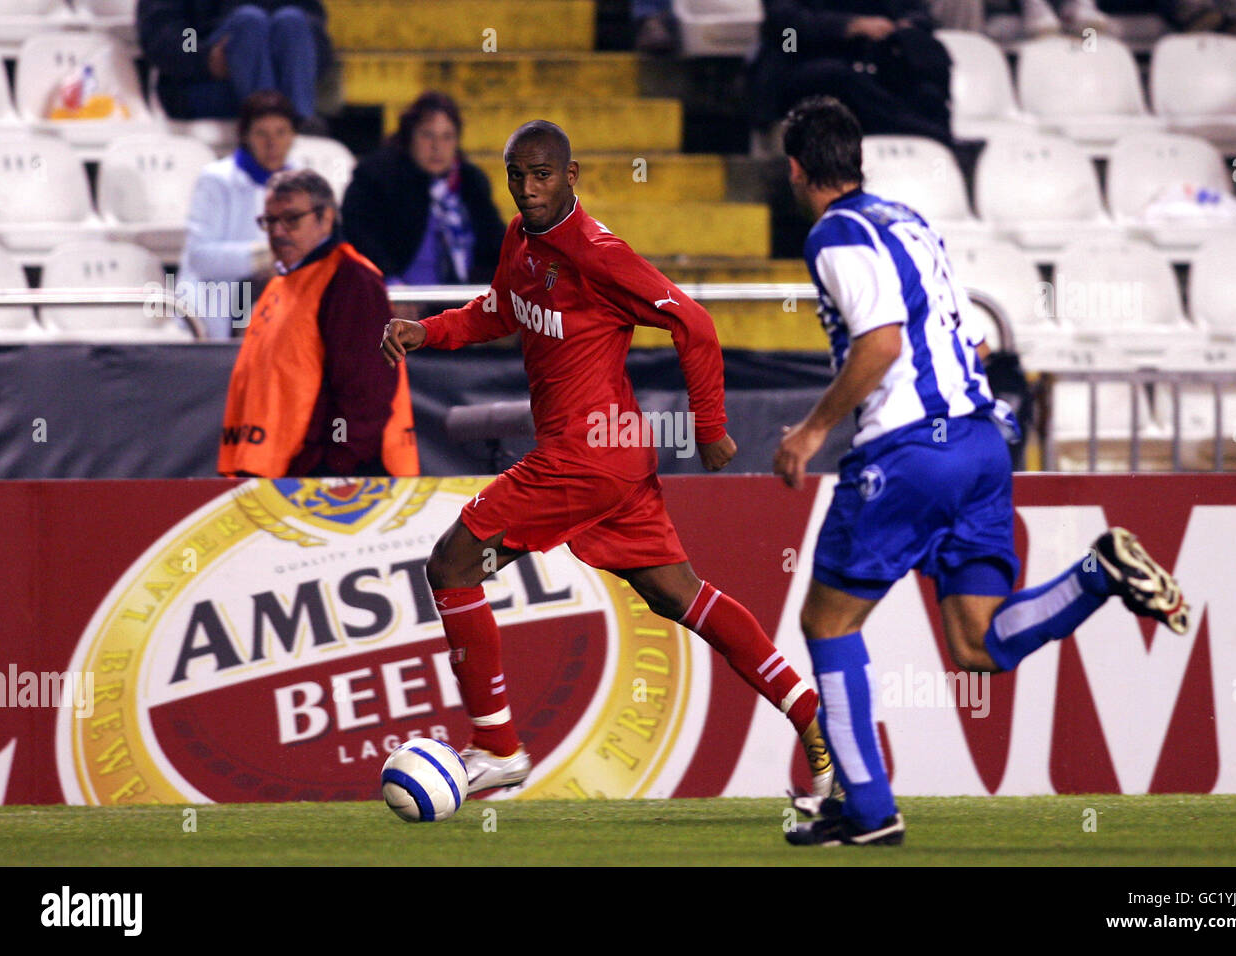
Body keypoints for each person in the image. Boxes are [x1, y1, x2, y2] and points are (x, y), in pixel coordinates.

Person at [772, 96, 1190, 846]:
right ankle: (1098, 575)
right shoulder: (910, 221)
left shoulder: (833, 234)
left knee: (825, 622)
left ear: (797, 169)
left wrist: (811, 432)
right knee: (978, 644)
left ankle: (867, 811)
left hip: (910, 455)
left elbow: (882, 344)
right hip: (979, 445)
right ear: (857, 160)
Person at [380, 120, 836, 799]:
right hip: (609, 464)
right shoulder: (520, 241)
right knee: (682, 595)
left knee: (451, 563)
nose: (528, 190)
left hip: (583, 457)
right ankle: (816, 725)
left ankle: (498, 747)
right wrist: (431, 330)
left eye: (541, 176)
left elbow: (694, 322)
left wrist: (709, 425)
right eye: (517, 176)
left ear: (570, 177)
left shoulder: (597, 253)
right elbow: (500, 309)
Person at [220, 169, 419, 478]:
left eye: (291, 219)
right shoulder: (282, 282)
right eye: (270, 221)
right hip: (280, 476)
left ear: (326, 218)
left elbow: (366, 391)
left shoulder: (351, 280)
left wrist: (335, 467)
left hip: (330, 485)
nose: (278, 231)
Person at [341, 92, 505, 320]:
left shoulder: (470, 181)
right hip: (396, 301)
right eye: (428, 135)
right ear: (409, 137)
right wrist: (390, 286)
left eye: (447, 137)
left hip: (461, 303)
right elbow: (358, 237)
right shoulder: (377, 175)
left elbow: (496, 242)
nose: (437, 147)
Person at [750, 0, 955, 148]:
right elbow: (787, 29)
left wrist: (905, 25)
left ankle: (941, 144)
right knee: (836, 76)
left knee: (925, 74)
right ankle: (926, 133)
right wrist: (851, 26)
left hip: (868, 60)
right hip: (799, 61)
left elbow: (918, 13)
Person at [179, 90, 297, 341]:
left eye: (281, 132)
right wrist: (265, 256)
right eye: (261, 133)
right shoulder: (216, 179)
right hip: (227, 294)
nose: (272, 143)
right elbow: (200, 258)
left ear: (292, 136)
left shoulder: (301, 182)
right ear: (245, 136)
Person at [137, 0, 334, 121]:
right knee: (249, 23)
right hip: (203, 85)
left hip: (283, 89)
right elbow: (167, 33)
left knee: (293, 21)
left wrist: (279, 51)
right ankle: (267, 125)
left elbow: (318, 41)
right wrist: (204, 56)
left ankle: (298, 121)